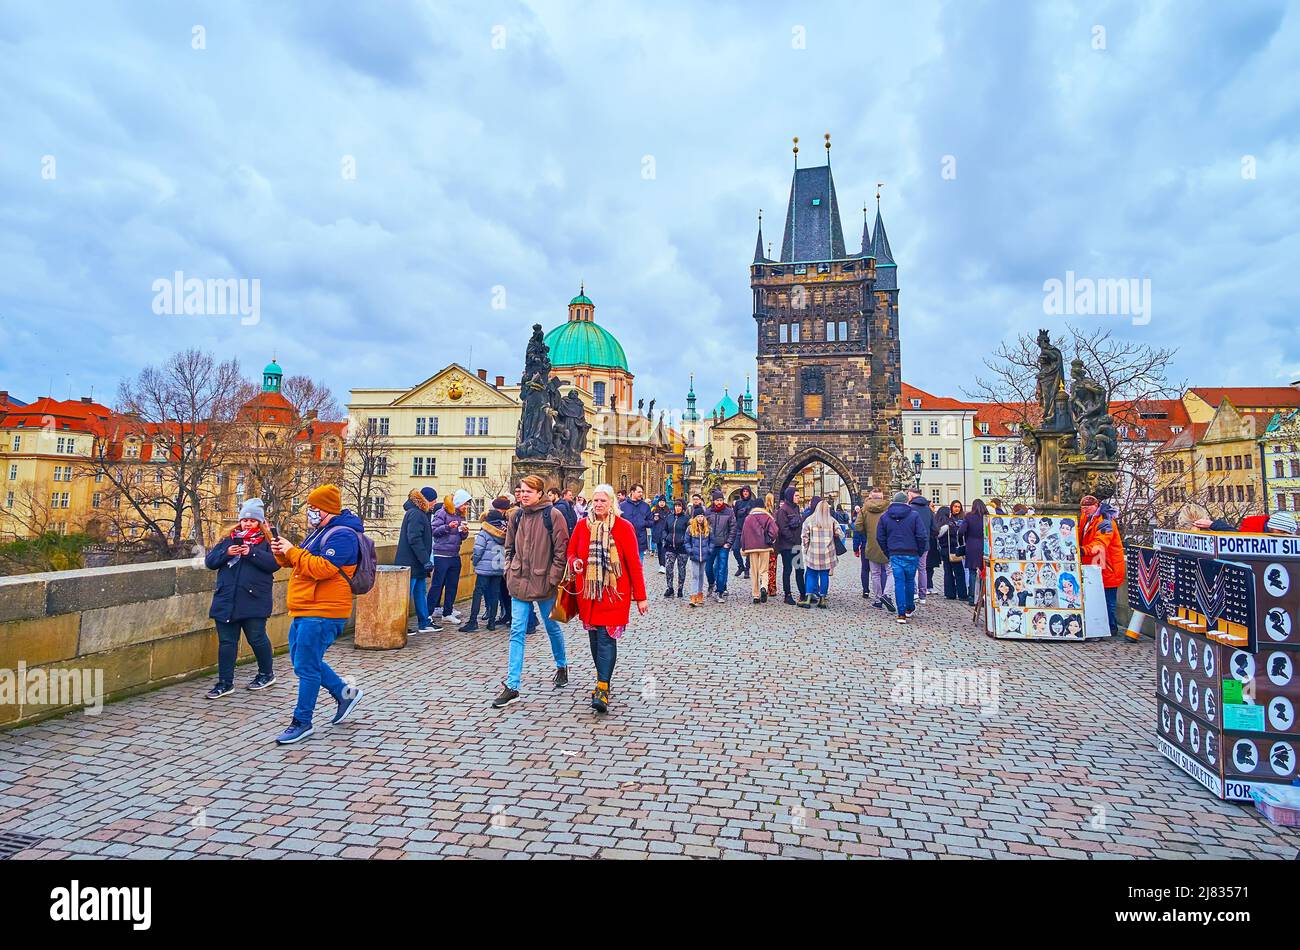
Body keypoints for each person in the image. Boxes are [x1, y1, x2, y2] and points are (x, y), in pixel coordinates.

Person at [269, 484, 366, 744]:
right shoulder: (320, 532)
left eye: (313, 508)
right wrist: (282, 553)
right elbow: (300, 561)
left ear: (326, 509)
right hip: (306, 605)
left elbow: (322, 568)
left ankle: (302, 721)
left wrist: (292, 551)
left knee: (307, 667)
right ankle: (344, 693)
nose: (310, 512)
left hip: (324, 609)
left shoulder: (343, 535)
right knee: (302, 660)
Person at [564, 483, 648, 714]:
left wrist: (640, 597)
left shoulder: (623, 527)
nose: (599, 504)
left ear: (612, 503)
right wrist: (575, 562)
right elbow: (571, 552)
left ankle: (602, 687)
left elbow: (634, 564)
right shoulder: (582, 526)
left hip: (613, 593)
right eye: (596, 500)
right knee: (594, 639)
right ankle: (602, 679)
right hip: (589, 593)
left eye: (603, 500)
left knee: (606, 639)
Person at [492, 475, 571, 707]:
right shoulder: (516, 516)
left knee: (551, 627)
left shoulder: (553, 516)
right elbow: (509, 547)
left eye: (529, 491)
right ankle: (513, 685)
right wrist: (509, 568)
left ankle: (561, 664)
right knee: (517, 631)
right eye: (521, 490)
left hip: (543, 582)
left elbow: (561, 551)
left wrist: (553, 578)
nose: (523, 494)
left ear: (540, 493)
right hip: (519, 581)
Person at [203, 498, 277, 698]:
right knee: (227, 642)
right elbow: (210, 562)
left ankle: (266, 673)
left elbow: (275, 564)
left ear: (260, 523)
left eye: (252, 521)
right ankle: (225, 683)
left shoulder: (267, 542)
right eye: (245, 520)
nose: (247, 523)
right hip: (227, 599)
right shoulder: (228, 539)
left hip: (254, 599)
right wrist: (227, 553)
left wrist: (251, 553)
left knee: (257, 638)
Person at [1078, 494, 1127, 639]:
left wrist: (1083, 550)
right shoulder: (1086, 518)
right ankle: (1101, 627)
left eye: (1088, 508)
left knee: (1108, 601)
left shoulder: (1106, 522)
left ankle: (1111, 628)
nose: (1085, 511)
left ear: (1096, 506)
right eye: (1083, 508)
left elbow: (1100, 544)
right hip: (1095, 565)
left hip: (1107, 566)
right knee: (1098, 599)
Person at [877, 491, 927, 624]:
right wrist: (919, 551)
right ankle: (909, 608)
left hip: (894, 553)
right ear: (906, 502)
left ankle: (901, 614)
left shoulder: (885, 516)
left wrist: (887, 551)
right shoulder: (914, 515)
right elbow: (922, 536)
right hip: (912, 553)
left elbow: (880, 537)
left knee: (899, 582)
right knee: (909, 581)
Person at [394, 487, 438, 634]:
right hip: (411, 562)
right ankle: (401, 625)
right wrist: (426, 559)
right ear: (426, 500)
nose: (435, 503)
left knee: (420, 592)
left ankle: (424, 622)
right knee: (406, 595)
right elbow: (414, 539)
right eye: (433, 500)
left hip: (416, 563)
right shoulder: (416, 514)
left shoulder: (418, 513)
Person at [459, 506, 507, 632]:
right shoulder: (505, 532)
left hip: (484, 568)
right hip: (498, 567)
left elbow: (478, 549)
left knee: (478, 593)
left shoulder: (484, 532)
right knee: (495, 594)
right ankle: (492, 622)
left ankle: (473, 621)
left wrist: (475, 562)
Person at [429, 489, 472, 625]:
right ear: (458, 502)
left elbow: (459, 536)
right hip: (441, 554)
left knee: (452, 585)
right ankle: (428, 612)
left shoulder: (460, 515)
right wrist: (447, 527)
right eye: (465, 504)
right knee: (437, 584)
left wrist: (464, 533)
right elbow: (434, 531)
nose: (466, 507)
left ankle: (448, 612)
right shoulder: (441, 513)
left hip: (454, 553)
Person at [853, 489, 893, 610]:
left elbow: (857, 526)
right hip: (887, 544)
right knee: (888, 571)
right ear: (881, 497)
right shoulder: (888, 508)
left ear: (872, 497)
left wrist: (867, 533)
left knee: (875, 573)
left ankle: (877, 599)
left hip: (871, 543)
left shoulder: (864, 509)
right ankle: (887, 594)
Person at [800, 500, 839, 608]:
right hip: (827, 554)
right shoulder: (831, 521)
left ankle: (807, 599)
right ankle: (822, 599)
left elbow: (804, 536)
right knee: (824, 575)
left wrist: (806, 549)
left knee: (811, 574)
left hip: (813, 552)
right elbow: (840, 534)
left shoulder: (810, 520)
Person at [739, 492, 777, 603]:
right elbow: (774, 531)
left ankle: (756, 595)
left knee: (754, 571)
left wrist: (744, 547)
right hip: (764, 547)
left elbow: (743, 534)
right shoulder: (768, 517)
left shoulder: (748, 518)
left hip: (752, 547)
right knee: (764, 570)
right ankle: (764, 586)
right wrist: (770, 539)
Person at [704, 489, 738, 603]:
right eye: (717, 500)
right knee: (708, 567)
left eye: (721, 500)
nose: (719, 502)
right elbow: (704, 527)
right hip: (711, 545)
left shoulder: (729, 512)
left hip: (723, 544)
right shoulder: (708, 512)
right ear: (713, 501)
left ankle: (720, 591)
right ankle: (711, 583)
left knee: (722, 568)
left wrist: (728, 542)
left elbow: (733, 528)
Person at [775, 486, 807, 605]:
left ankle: (802, 593)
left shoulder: (796, 508)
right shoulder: (783, 510)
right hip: (787, 546)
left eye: (798, 496)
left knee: (799, 570)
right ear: (790, 496)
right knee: (787, 569)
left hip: (796, 545)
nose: (798, 498)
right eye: (796, 496)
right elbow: (782, 528)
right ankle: (787, 594)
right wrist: (793, 539)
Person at [907, 488, 934, 606]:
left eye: (908, 495)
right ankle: (923, 595)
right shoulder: (928, 510)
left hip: (912, 543)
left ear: (912, 495)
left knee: (911, 568)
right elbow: (935, 528)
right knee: (922, 569)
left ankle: (913, 593)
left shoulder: (910, 509)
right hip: (925, 544)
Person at [960, 499, 988, 606]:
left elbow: (961, 531)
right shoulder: (986, 517)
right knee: (984, 572)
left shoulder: (968, 517)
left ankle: (972, 597)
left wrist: (965, 539)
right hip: (984, 546)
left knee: (972, 572)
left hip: (971, 545)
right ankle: (983, 597)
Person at [937, 501, 967, 601]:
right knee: (958, 572)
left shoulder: (942, 522)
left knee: (948, 572)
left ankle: (950, 593)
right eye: (955, 507)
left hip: (947, 549)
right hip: (952, 549)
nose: (957, 509)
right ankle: (961, 594)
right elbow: (956, 535)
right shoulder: (949, 523)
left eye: (959, 507)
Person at [660, 497, 690, 598]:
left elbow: (689, 532)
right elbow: (664, 529)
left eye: (679, 506)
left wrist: (684, 540)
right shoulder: (669, 517)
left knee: (681, 569)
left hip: (682, 548)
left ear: (682, 507)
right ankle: (670, 588)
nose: (677, 508)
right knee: (669, 568)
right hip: (670, 547)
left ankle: (680, 588)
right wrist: (665, 537)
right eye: (676, 506)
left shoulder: (686, 518)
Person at [685, 512, 714, 607]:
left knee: (701, 575)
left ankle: (700, 594)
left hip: (704, 555)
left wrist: (709, 550)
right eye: (698, 516)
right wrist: (690, 550)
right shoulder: (690, 529)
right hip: (694, 555)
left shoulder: (708, 529)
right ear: (695, 518)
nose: (700, 518)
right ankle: (693, 595)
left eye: (702, 516)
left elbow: (712, 541)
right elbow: (687, 542)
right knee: (695, 575)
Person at [732, 486, 759, 578]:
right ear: (742, 493)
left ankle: (747, 569)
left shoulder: (753, 503)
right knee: (735, 549)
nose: (745, 493)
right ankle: (741, 566)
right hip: (739, 529)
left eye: (747, 491)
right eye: (744, 491)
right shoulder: (738, 503)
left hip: (750, 530)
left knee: (749, 551)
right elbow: (734, 516)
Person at [622, 484, 652, 559]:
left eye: (642, 492)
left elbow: (651, 522)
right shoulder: (622, 506)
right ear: (632, 492)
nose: (641, 494)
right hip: (626, 540)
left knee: (639, 566)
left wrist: (643, 522)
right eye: (639, 492)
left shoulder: (645, 506)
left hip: (640, 540)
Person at [764, 492, 779, 598]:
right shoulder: (775, 513)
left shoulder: (763, 512)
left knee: (764, 567)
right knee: (772, 567)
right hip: (773, 544)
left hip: (763, 544)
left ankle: (764, 586)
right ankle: (771, 588)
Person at [650, 497, 670, 574]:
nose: (662, 503)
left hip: (665, 532)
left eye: (663, 502)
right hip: (657, 532)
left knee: (663, 549)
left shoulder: (668, 511)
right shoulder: (654, 510)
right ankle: (661, 564)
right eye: (660, 502)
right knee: (659, 549)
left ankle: (663, 565)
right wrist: (654, 519)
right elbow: (650, 520)